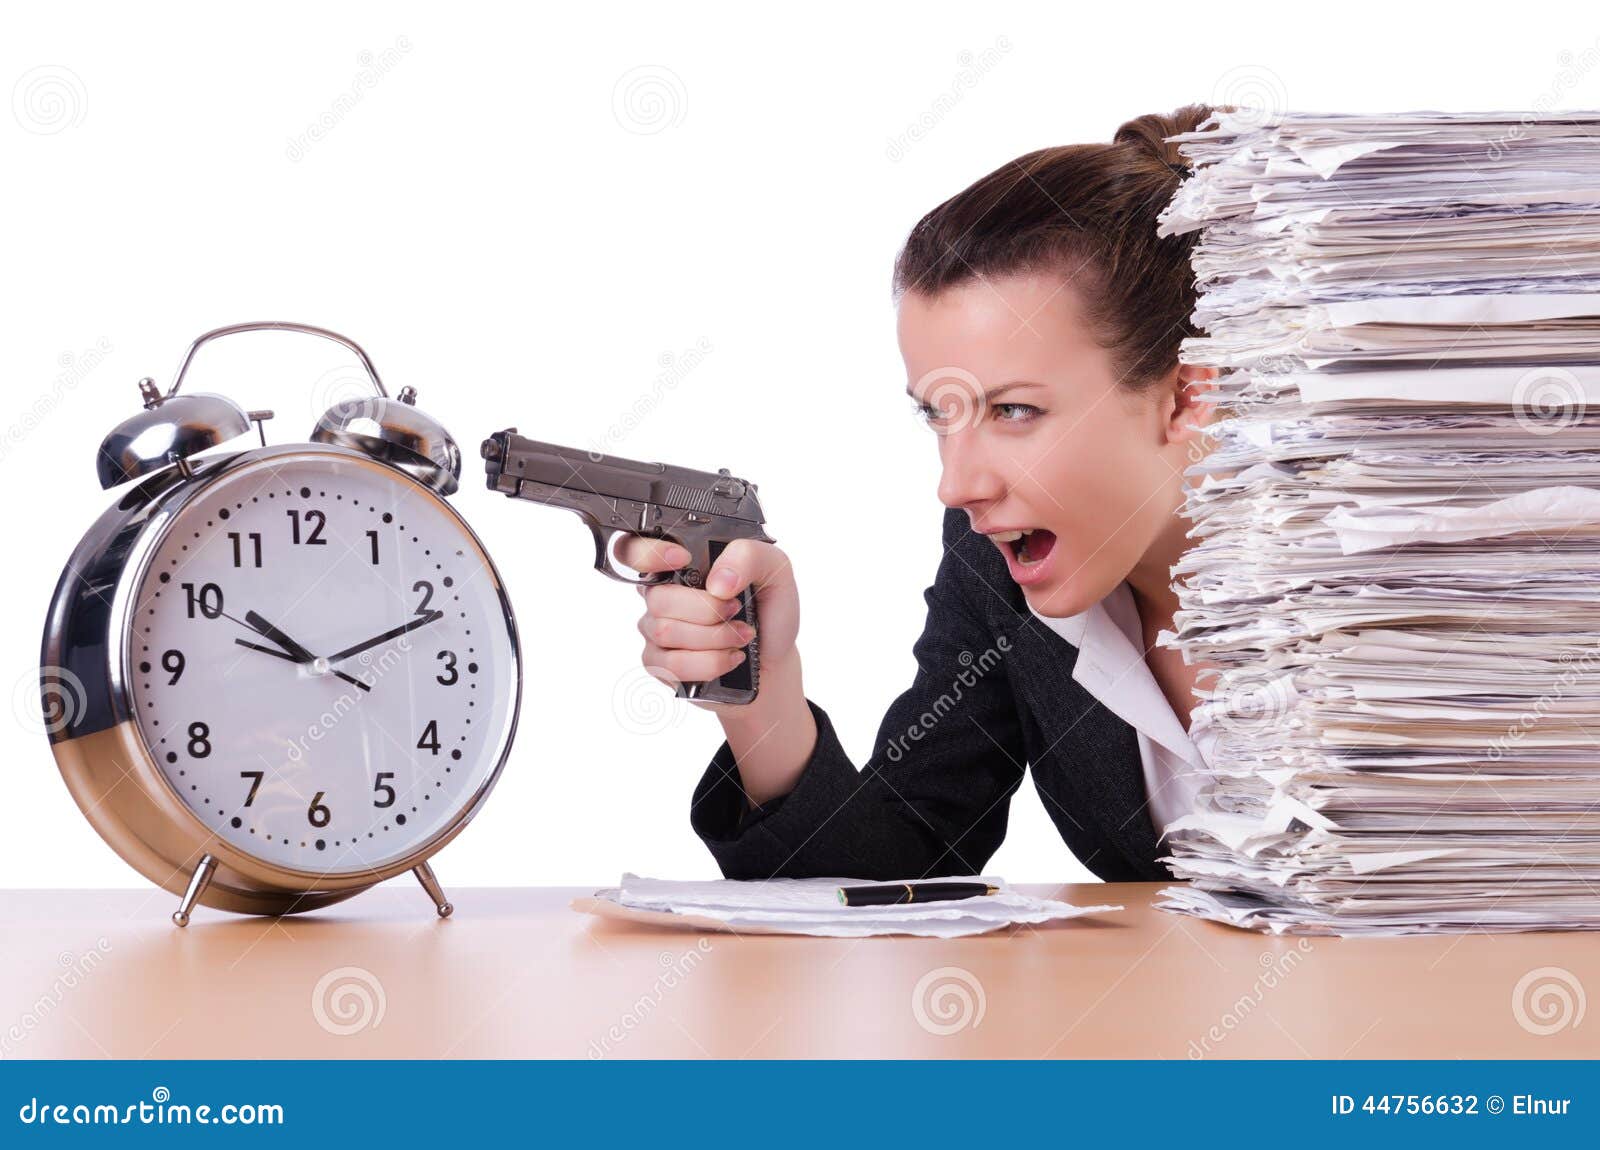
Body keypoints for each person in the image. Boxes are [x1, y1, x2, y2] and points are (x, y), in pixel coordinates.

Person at [618, 104, 1225, 882]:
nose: (958, 485)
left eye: (1014, 411)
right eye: (939, 416)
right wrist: (763, 695)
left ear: (1185, 396)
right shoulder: (997, 562)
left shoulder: (1366, 562)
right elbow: (902, 865)